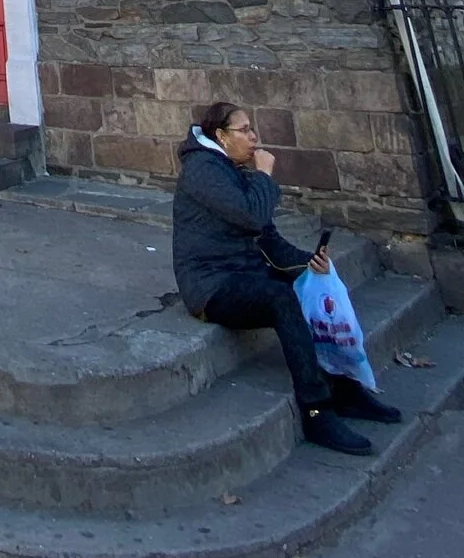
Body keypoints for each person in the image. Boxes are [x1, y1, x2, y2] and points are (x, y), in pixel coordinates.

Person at [172, 99, 402, 456]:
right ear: (221, 135)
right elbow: (251, 216)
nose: (254, 137)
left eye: (252, 129)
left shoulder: (230, 169)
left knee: (314, 285)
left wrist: (309, 263)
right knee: (281, 297)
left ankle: (344, 388)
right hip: (211, 285)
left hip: (245, 274)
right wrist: (264, 175)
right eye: (244, 130)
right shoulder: (203, 169)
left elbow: (267, 237)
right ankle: (316, 411)